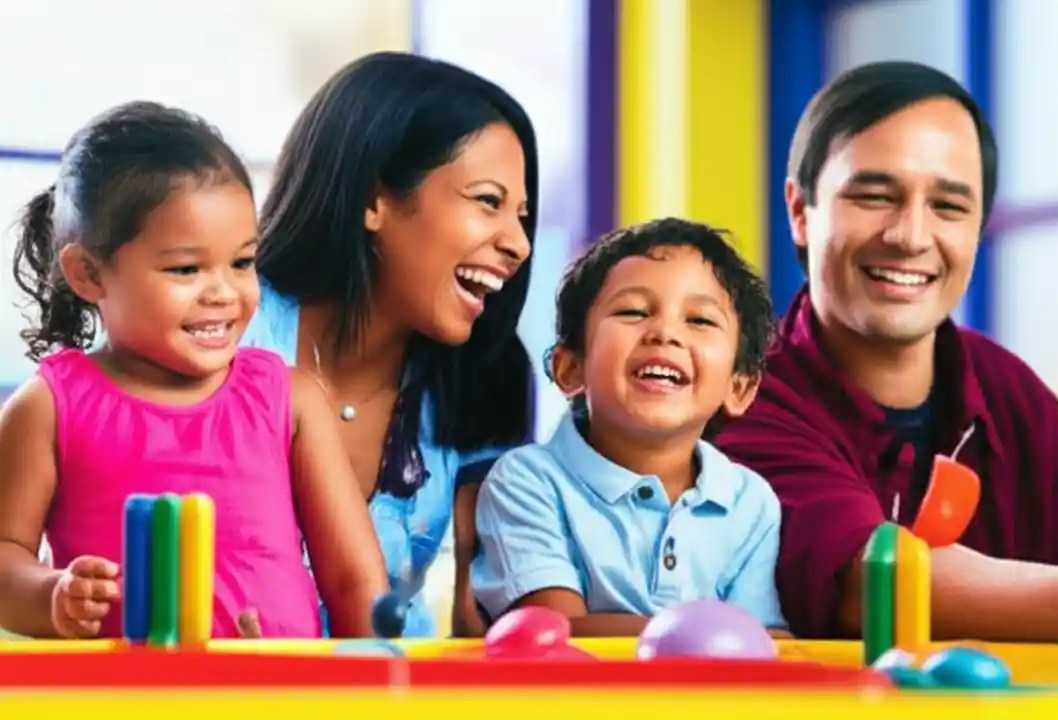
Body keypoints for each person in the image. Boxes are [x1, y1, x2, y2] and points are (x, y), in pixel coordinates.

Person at [715, 61, 1058, 644]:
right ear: (801, 212)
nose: (910, 236)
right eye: (875, 196)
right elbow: (864, 581)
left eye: (949, 207)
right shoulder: (741, 396)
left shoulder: (1018, 400)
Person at [0, 101, 387, 639]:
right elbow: (6, 554)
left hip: (281, 695)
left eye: (242, 262)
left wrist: (374, 685)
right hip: (122, 700)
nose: (224, 293)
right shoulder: (48, 407)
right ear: (87, 273)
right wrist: (51, 595)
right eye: (186, 268)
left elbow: (353, 581)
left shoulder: (289, 398)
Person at [240, 52, 538, 637]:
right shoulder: (227, 329)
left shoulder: (486, 376)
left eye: (522, 215)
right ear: (374, 199)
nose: (520, 244)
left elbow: (480, 618)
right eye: (487, 201)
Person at [469, 218, 788, 637]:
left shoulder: (750, 502)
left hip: (713, 705)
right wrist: (703, 638)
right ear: (570, 368)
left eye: (701, 321)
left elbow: (765, 641)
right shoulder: (528, 481)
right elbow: (554, 634)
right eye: (633, 311)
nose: (665, 333)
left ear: (739, 387)